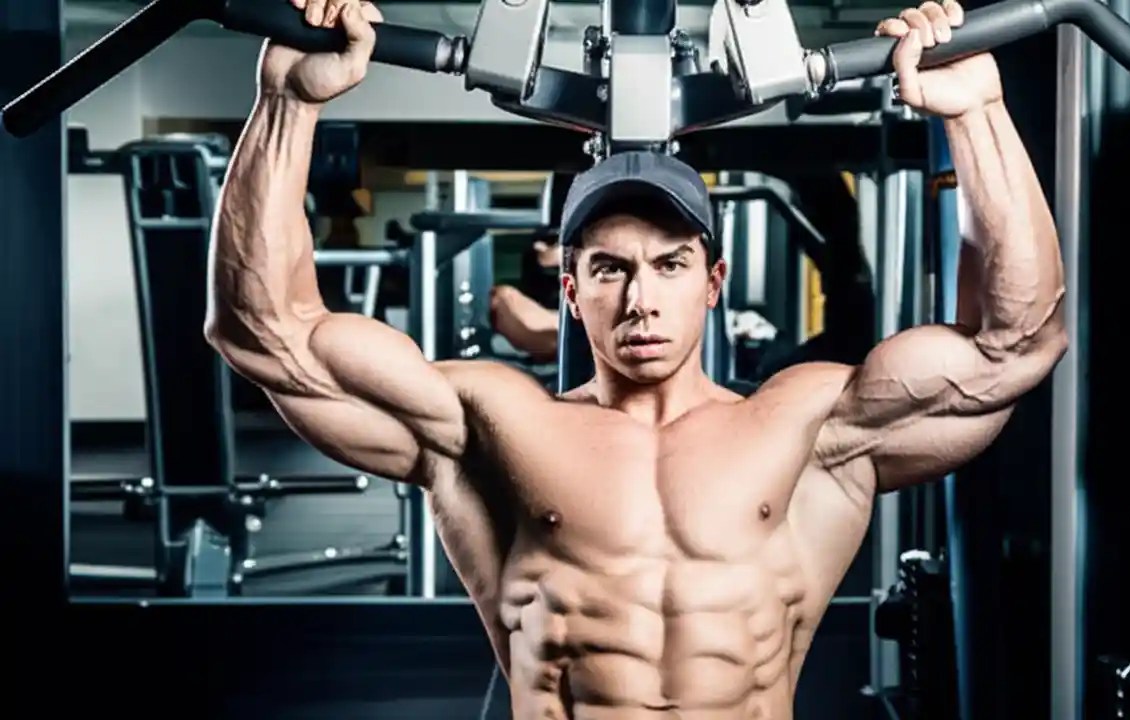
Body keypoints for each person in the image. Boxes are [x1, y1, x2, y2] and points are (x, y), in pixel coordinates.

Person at [204, 0, 1067, 716]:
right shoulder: (495, 427)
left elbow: (1016, 343)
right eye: (610, 269)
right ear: (571, 289)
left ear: (713, 281)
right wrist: (287, 104)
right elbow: (266, 334)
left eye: (670, 265)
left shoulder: (807, 427)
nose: (641, 298)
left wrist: (978, 115)